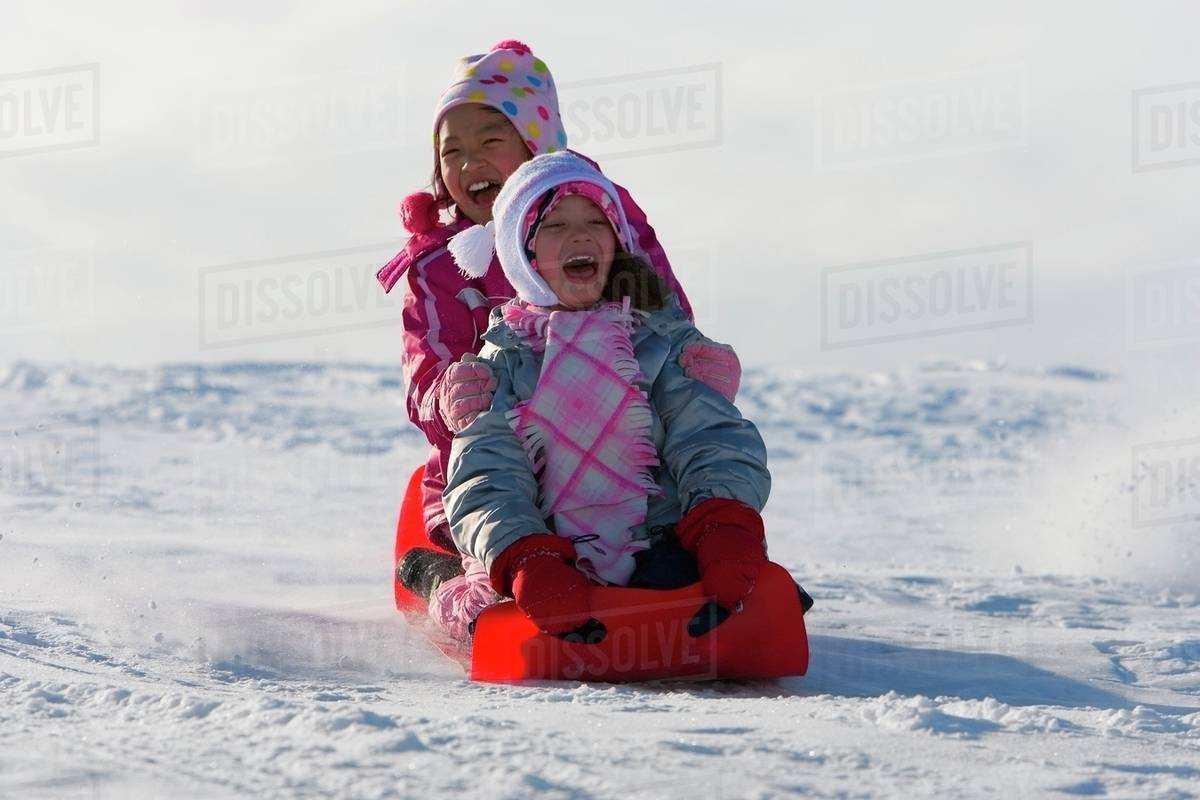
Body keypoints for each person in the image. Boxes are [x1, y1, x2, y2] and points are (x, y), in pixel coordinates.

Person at [376, 40, 741, 559]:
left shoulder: (602, 221)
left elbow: (661, 316)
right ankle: (461, 580)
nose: (469, 161)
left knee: (691, 444)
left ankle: (719, 555)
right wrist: (451, 398)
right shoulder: (441, 267)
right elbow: (426, 372)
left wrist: (690, 361)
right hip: (499, 467)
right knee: (487, 501)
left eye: (490, 140)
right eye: (451, 151)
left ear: (535, 145)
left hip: (627, 467)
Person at [440, 152, 771, 637]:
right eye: (555, 226)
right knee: (483, 608)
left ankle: (689, 597)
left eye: (598, 221)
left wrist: (722, 522)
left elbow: (708, 437)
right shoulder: (502, 364)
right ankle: (433, 574)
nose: (581, 236)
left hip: (658, 544)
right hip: (548, 557)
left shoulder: (659, 342)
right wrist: (525, 554)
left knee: (699, 577)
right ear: (524, 253)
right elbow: (487, 475)